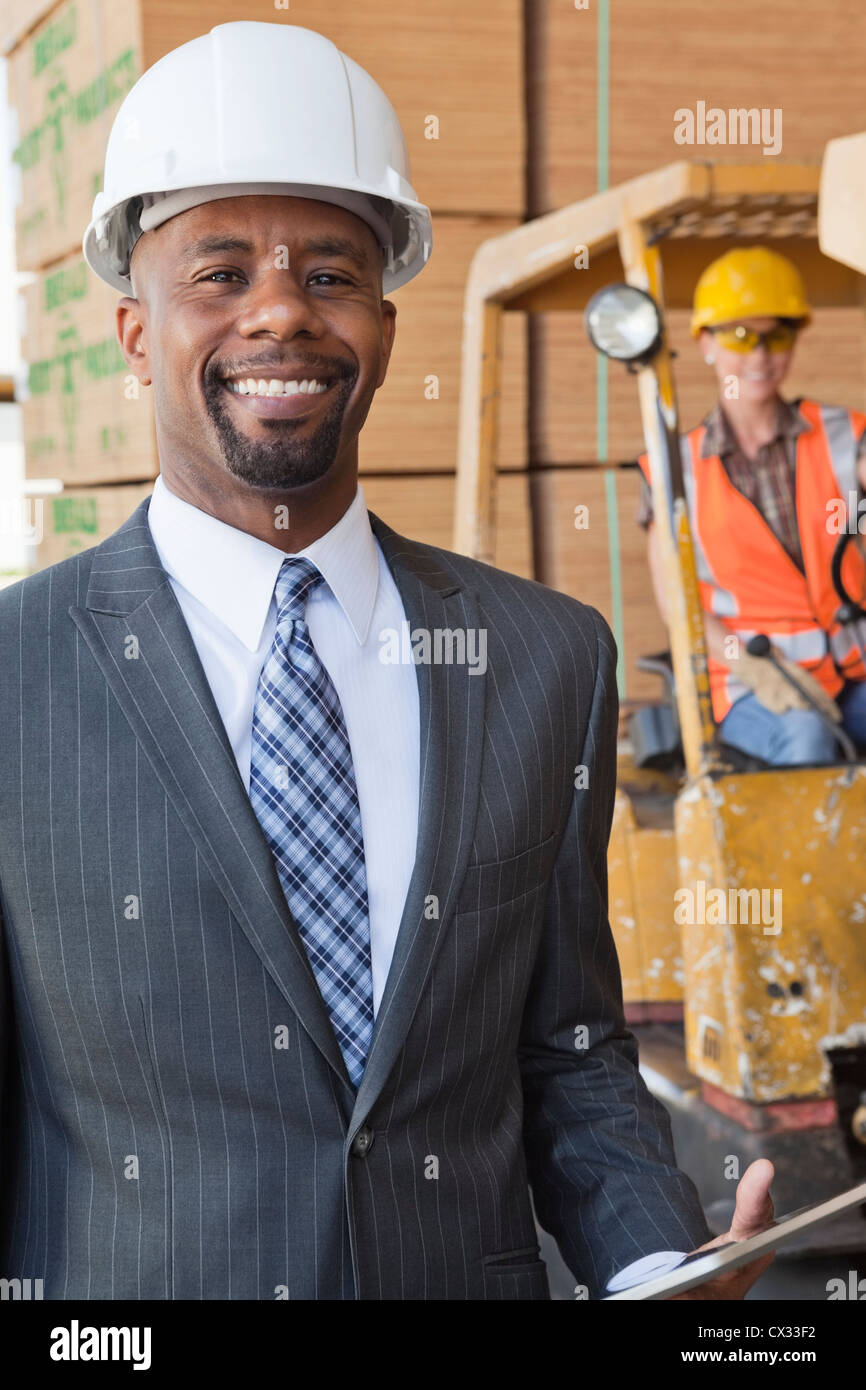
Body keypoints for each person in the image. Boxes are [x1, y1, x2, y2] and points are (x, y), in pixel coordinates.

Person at [0, 20, 773, 1301]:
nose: (279, 313)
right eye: (219, 271)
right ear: (135, 332)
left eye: (329, 271)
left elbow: (570, 1052)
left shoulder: (542, 659)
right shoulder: (17, 677)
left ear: (384, 323)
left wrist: (653, 1260)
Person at [636, 246, 866, 766]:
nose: (760, 355)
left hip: (853, 674)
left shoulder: (844, 438)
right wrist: (756, 669)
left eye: (776, 336)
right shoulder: (675, 470)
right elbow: (680, 608)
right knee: (808, 742)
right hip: (750, 684)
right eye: (740, 336)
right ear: (706, 343)